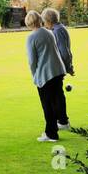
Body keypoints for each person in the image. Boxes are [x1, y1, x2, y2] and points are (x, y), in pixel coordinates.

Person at [24, 10, 67, 142]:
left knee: (47, 105)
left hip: (46, 74)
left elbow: (32, 61)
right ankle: (58, 127)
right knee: (55, 101)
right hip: (58, 71)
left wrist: (35, 76)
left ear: (28, 23)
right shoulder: (49, 32)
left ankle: (51, 134)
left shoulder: (31, 37)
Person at [42, 8, 73, 131]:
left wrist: (68, 67)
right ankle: (61, 120)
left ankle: (63, 121)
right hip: (58, 66)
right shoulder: (59, 29)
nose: (44, 24)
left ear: (48, 21)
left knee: (57, 95)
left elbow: (64, 51)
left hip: (58, 67)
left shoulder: (58, 31)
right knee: (57, 94)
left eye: (44, 21)